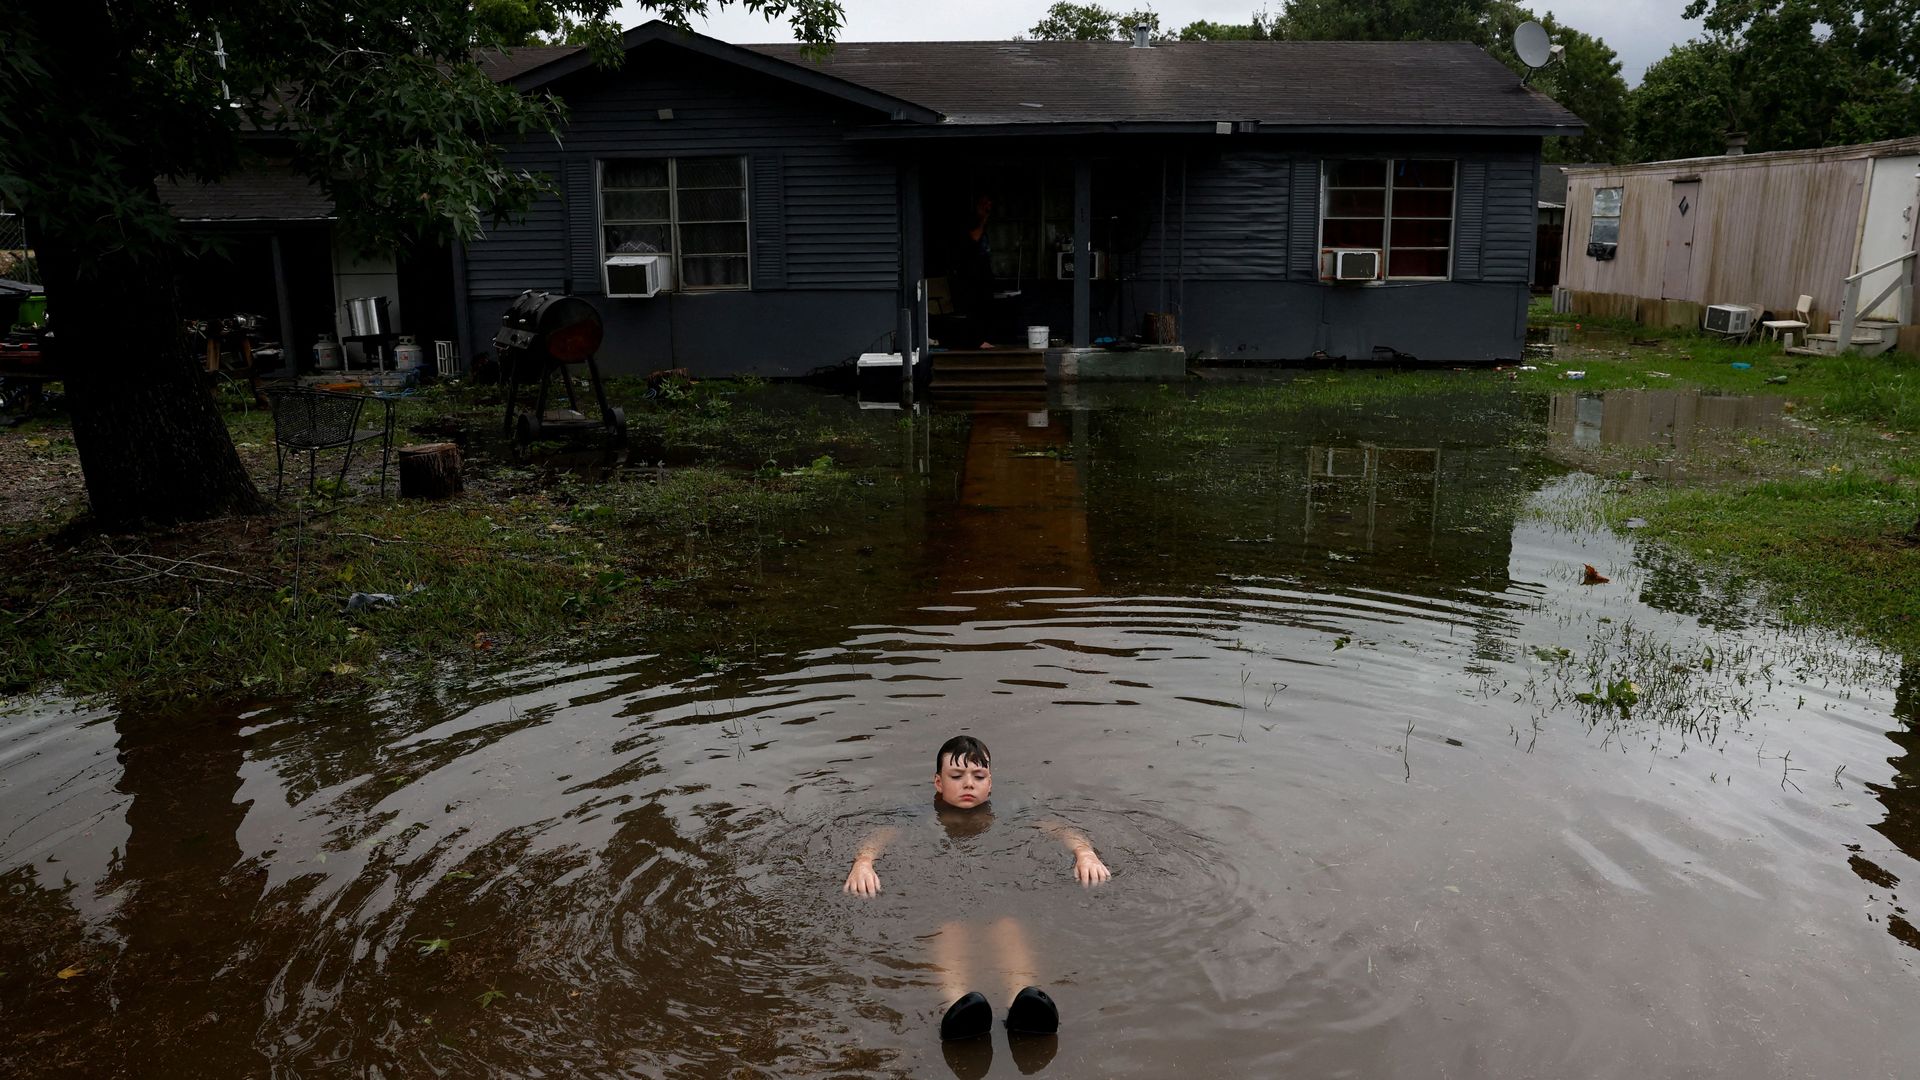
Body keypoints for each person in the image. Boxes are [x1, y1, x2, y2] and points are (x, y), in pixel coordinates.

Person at [842, 735, 1111, 1041]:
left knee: (1007, 926)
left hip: (996, 885)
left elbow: (1058, 827)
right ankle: (956, 1005)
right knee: (950, 928)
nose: (968, 784)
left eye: (978, 776)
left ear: (990, 783)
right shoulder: (919, 812)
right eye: (956, 776)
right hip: (941, 888)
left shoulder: (1012, 807)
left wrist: (1084, 853)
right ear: (938, 782)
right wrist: (864, 861)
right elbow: (881, 834)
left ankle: (1022, 1001)